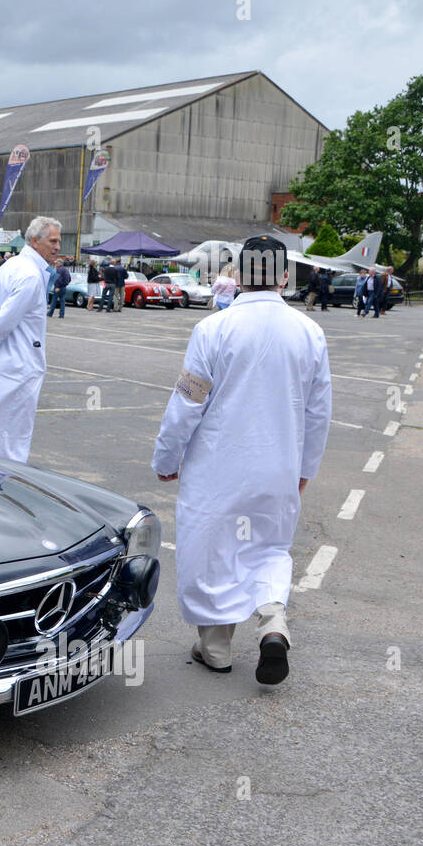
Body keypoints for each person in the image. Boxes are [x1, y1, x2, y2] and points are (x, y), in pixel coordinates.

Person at [152, 235, 331, 685]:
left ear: (238, 277)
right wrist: (304, 469)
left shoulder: (213, 330)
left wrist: (167, 456)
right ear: (285, 278)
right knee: (269, 548)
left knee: (213, 550)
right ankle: (272, 621)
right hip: (277, 469)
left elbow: (187, 402)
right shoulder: (309, 332)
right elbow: (318, 412)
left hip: (219, 469)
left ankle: (215, 649)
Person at [0, 216, 61, 463]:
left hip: (6, 365)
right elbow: (1, 324)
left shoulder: (13, 266)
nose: (58, 247)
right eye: (53, 241)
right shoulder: (29, 275)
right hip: (17, 367)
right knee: (7, 440)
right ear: (35, 241)